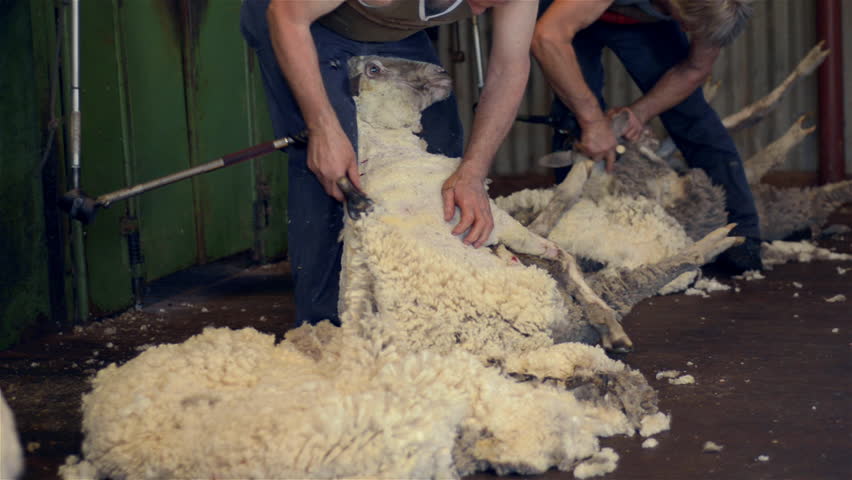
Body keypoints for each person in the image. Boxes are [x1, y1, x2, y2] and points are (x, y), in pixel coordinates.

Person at [241, 0, 538, 326]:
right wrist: (323, 128)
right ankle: (325, 326)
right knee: (337, 168)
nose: (485, 8)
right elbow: (286, 16)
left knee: (440, 152)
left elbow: (509, 66)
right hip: (303, 21)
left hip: (395, 28)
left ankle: (425, 309)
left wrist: (473, 172)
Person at [532, 0, 763, 273]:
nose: (689, 31)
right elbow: (548, 37)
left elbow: (695, 69)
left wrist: (640, 112)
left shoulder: (716, 8)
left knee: (690, 114)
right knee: (575, 123)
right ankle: (576, 235)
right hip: (566, 11)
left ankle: (741, 239)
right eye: (688, 25)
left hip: (642, 20)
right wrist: (592, 120)